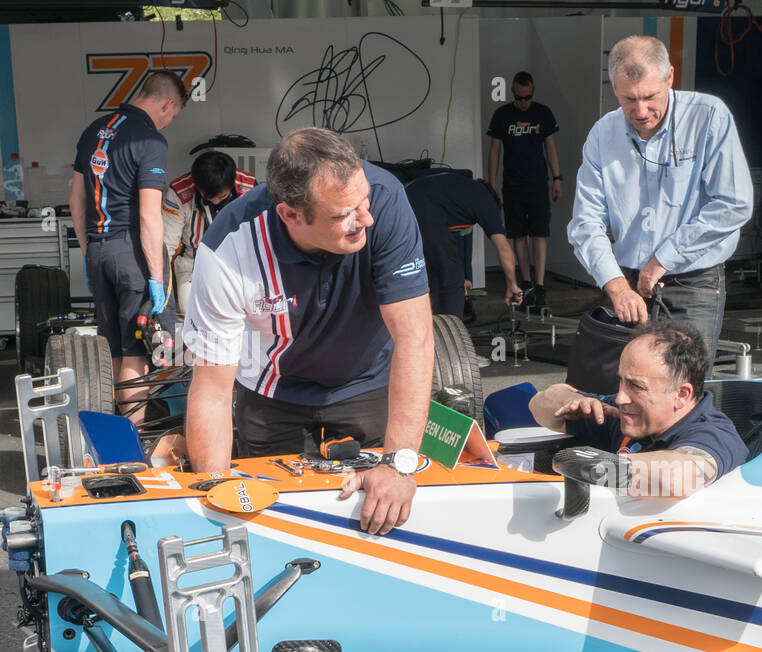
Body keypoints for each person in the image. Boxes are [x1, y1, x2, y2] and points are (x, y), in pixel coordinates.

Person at [182, 128, 435, 535]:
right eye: (343, 215)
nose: (364, 219)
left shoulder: (385, 201)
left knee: (378, 521)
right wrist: (215, 498)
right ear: (291, 215)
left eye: (362, 201)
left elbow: (416, 337)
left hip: (367, 385)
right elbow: (211, 389)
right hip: (273, 397)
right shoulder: (230, 248)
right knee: (274, 530)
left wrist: (398, 463)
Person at [567, 34, 752, 370]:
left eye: (650, 97)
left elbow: (733, 203)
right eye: (628, 100)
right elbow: (585, 223)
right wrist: (616, 286)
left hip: (692, 281)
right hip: (626, 283)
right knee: (621, 388)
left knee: (683, 390)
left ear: (670, 77)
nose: (640, 111)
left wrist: (663, 258)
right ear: (614, 89)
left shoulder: (709, 117)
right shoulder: (602, 135)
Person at [69, 71, 187, 416]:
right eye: (173, 115)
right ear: (167, 104)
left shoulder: (93, 131)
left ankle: (117, 441)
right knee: (140, 351)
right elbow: (150, 216)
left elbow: (76, 200)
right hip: (133, 255)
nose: (168, 123)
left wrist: (90, 252)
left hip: (98, 250)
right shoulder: (149, 141)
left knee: (117, 352)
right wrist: (156, 278)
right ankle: (135, 446)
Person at [529, 319, 747, 497]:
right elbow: (537, 405)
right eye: (621, 381)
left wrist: (592, 466)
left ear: (681, 395)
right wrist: (570, 403)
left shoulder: (714, 434)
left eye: (635, 386)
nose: (621, 397)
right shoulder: (623, 412)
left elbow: (677, 479)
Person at [487, 71, 561, 311]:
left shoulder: (543, 113)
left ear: (533, 92)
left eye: (527, 97)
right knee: (518, 235)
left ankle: (540, 285)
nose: (523, 103)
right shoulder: (502, 115)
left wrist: (557, 178)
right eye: (519, 98)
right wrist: (491, 182)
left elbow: (550, 147)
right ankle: (526, 281)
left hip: (538, 182)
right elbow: (495, 151)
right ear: (513, 93)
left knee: (539, 234)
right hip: (512, 184)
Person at [403, 170, 522, 318]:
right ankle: (451, 336)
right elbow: (503, 247)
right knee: (452, 280)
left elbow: (440, 254)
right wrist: (512, 283)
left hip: (400, 209)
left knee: (429, 275)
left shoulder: (456, 189)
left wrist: (462, 280)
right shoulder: (486, 201)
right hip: (424, 215)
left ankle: (429, 329)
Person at [163, 150, 256, 314]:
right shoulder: (179, 192)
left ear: (231, 183)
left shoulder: (249, 188)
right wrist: (158, 281)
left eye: (221, 197)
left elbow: (261, 236)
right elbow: (167, 244)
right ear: (196, 185)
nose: (214, 201)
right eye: (208, 197)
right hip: (194, 262)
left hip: (240, 263)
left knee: (247, 313)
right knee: (190, 312)